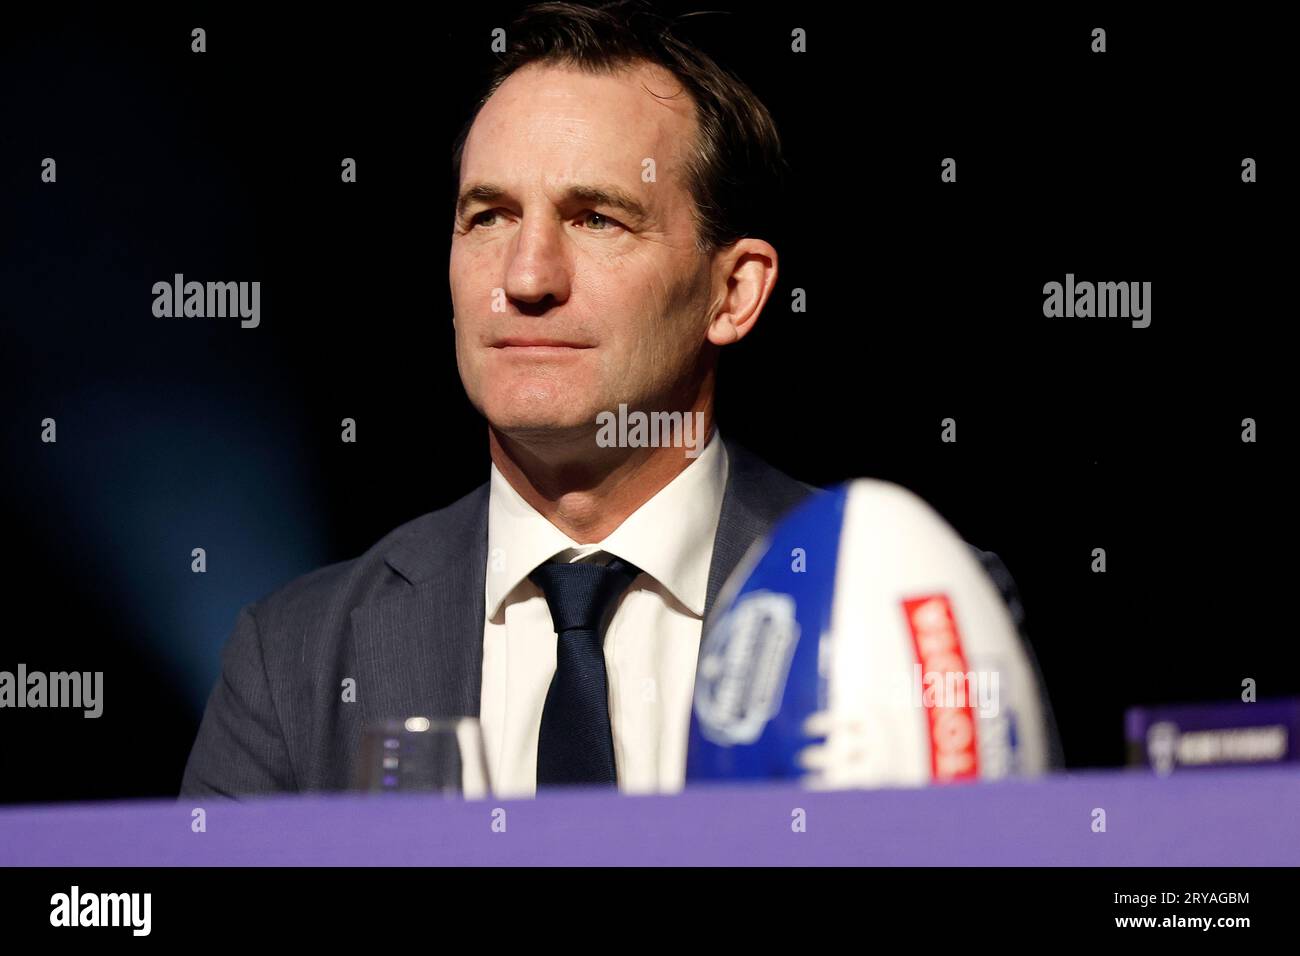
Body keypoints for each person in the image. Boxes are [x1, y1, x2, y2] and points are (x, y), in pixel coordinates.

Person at [180, 0, 1043, 799]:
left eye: (597, 218)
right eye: (489, 217)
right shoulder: (293, 657)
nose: (525, 278)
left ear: (733, 292)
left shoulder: (899, 605)